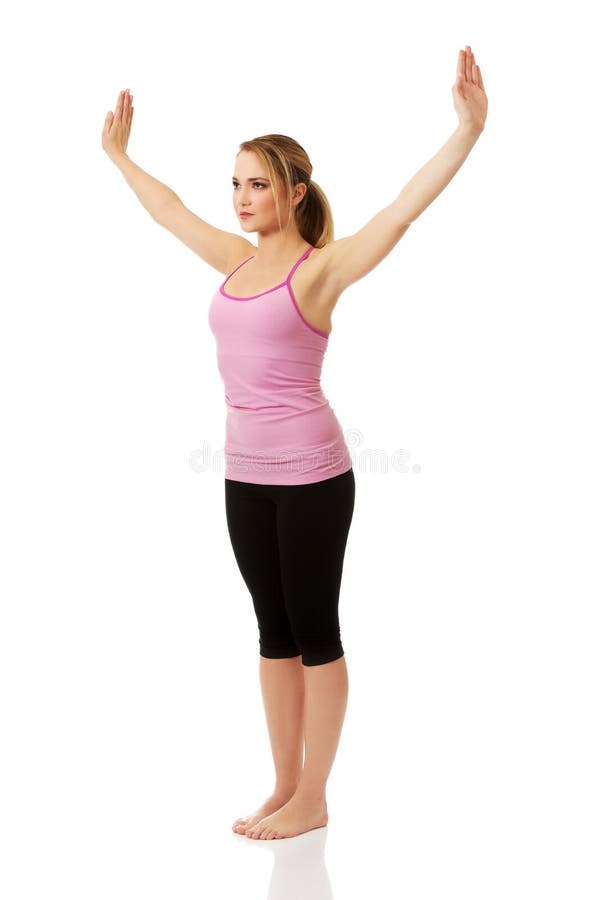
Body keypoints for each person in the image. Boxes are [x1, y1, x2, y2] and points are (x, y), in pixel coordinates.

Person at [101, 45, 488, 841]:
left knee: (316, 631)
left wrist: (466, 133)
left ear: (295, 192)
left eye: (258, 184)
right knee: (271, 632)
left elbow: (399, 211)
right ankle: (284, 786)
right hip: (242, 475)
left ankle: (317, 795)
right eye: (236, 183)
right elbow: (169, 211)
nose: (242, 198)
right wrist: (119, 157)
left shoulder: (319, 271)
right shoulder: (235, 263)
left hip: (314, 476)